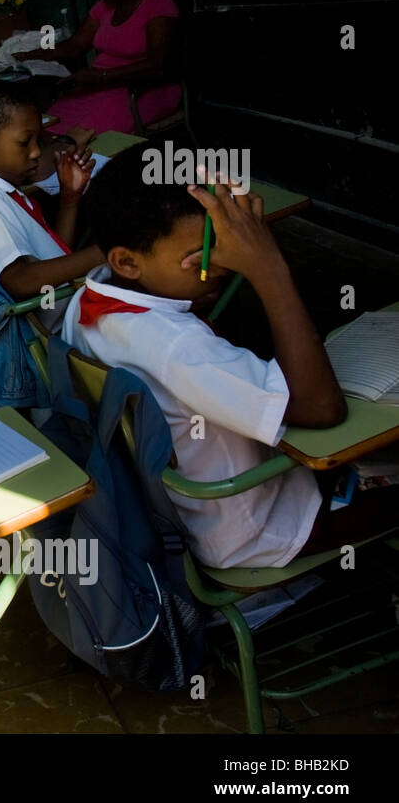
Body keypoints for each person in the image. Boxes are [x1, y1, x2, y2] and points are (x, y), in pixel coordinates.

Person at [64, 141, 399, 567]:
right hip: (262, 528)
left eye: (220, 245)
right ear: (127, 262)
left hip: (191, 512)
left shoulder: (85, 299)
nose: (219, 265)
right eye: (198, 256)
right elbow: (322, 409)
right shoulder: (176, 345)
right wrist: (267, 265)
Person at [0, 83, 101, 321]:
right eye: (24, 143)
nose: (36, 152)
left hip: (70, 307)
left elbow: (52, 263)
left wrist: (69, 199)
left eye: (38, 141)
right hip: (66, 324)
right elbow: (20, 280)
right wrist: (108, 250)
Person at [15, 0, 180, 135]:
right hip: (99, 86)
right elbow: (74, 46)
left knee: (85, 136)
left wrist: (102, 77)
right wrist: (28, 56)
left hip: (144, 90)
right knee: (51, 128)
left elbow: (157, 65)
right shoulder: (104, 6)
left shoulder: (158, 4)